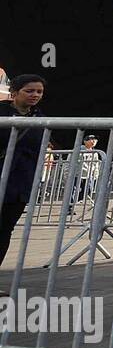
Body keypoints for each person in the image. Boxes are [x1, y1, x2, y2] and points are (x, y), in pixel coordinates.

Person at [0, 74, 47, 266]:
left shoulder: (42, 119)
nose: (35, 95)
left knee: (4, 229)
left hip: (20, 181)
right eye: (29, 91)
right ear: (14, 92)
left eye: (39, 91)